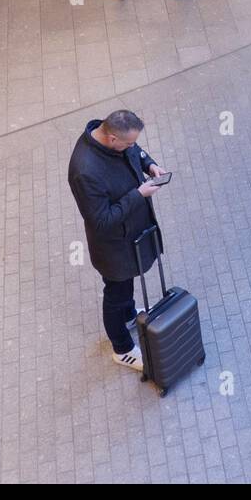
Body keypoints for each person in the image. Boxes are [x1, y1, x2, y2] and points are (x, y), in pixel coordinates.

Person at [67, 110, 169, 371]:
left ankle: (128, 315)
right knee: (116, 292)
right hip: (114, 248)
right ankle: (121, 348)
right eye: (128, 144)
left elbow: (136, 152)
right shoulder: (85, 171)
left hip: (130, 236)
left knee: (125, 289)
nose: (133, 147)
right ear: (112, 139)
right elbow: (100, 221)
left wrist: (149, 165)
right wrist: (139, 194)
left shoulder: (115, 141)